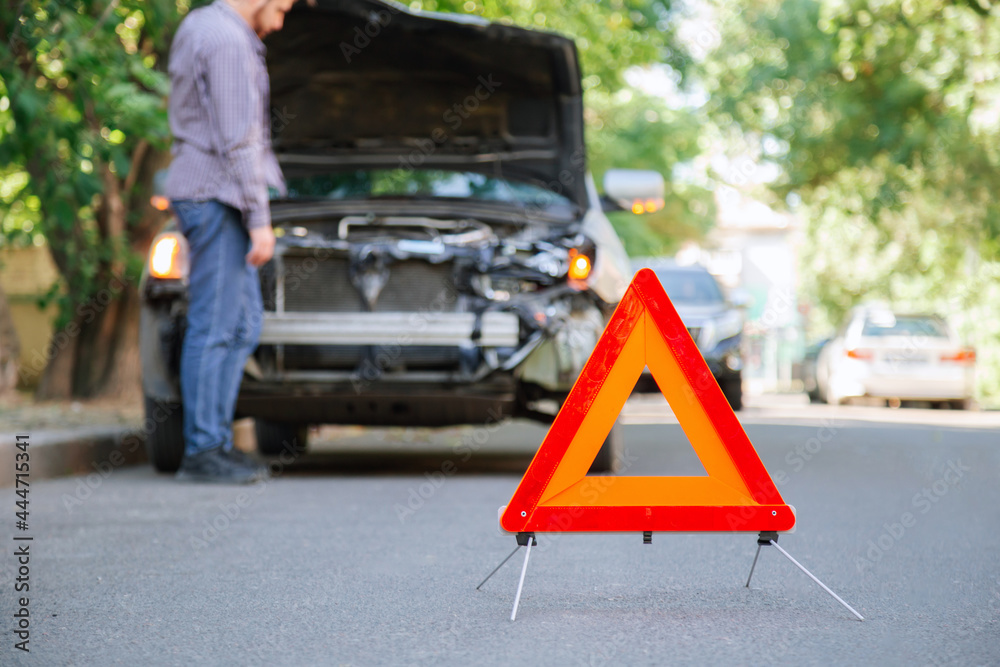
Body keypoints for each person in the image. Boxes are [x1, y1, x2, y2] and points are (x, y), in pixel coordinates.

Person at [165, 0, 296, 483]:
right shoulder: (226, 39)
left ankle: (215, 442)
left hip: (213, 194)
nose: (280, 21)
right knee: (215, 325)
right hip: (216, 196)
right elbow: (240, 139)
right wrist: (259, 219)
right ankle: (203, 450)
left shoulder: (203, 25)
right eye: (281, 7)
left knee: (241, 325)